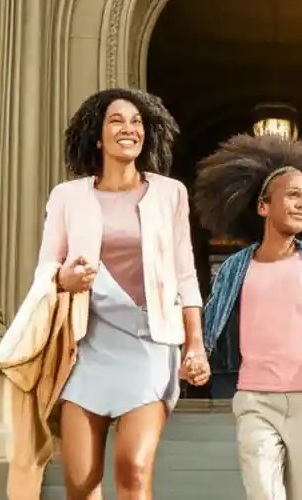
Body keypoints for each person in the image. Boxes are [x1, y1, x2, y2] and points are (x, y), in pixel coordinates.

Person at [43, 88, 209, 500]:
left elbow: (184, 273)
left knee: (134, 469)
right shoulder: (67, 197)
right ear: (97, 137)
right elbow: (46, 268)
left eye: (137, 122)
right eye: (117, 120)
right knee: (81, 484)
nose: (129, 128)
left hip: (149, 343)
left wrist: (196, 344)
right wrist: (64, 278)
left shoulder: (170, 193)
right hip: (85, 346)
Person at [194, 133, 302, 500]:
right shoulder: (234, 269)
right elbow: (207, 325)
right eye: (292, 195)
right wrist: (193, 357)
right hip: (256, 399)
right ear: (263, 207)